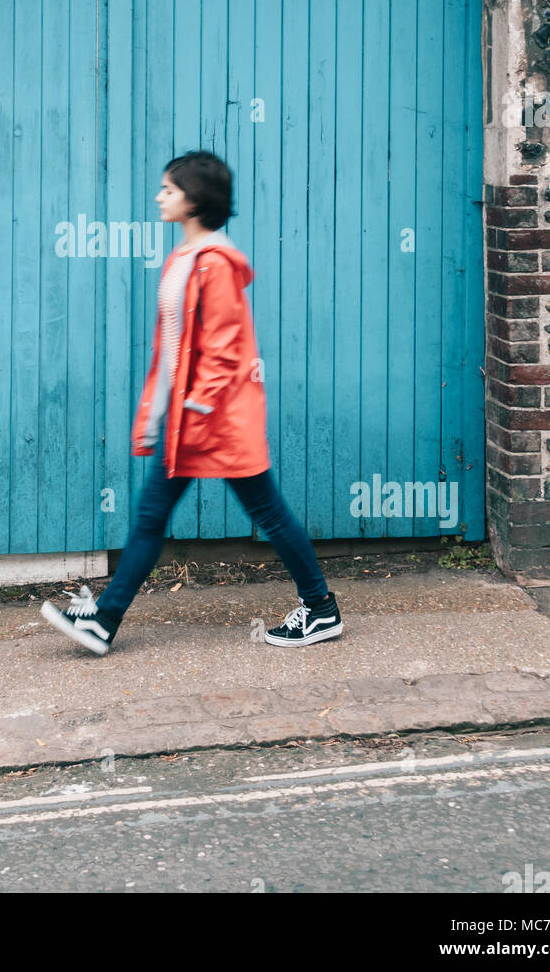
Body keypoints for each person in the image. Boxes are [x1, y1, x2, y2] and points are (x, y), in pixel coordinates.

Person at [41, 149, 343, 656]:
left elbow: (225, 350)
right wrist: (156, 415)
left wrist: (197, 410)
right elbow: (172, 351)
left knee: (266, 514)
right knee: (153, 516)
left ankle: (320, 608)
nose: (160, 196)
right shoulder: (184, 258)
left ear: (195, 199)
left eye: (169, 189)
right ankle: (104, 621)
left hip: (218, 422)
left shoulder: (215, 264)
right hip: (191, 421)